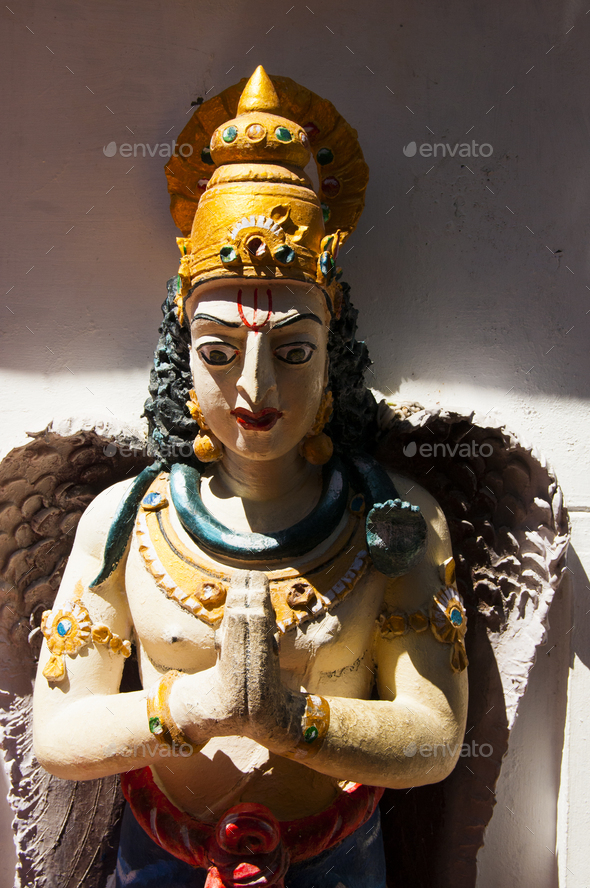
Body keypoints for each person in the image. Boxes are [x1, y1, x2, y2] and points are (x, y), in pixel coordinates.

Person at [32, 67, 468, 888]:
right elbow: (57, 735)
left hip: (332, 854)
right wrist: (192, 708)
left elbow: (437, 734)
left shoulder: (395, 520)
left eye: (294, 352)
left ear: (333, 357)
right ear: (180, 355)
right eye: (218, 352)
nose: (255, 391)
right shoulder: (126, 520)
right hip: (162, 854)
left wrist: (292, 720)